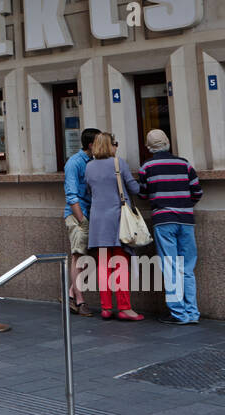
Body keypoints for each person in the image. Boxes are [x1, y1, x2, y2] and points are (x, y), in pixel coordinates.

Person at [137, 129, 203, 325]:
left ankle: (179, 314)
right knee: (188, 268)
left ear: (149, 147)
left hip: (163, 220)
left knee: (170, 267)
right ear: (167, 142)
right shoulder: (184, 164)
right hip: (186, 219)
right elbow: (197, 192)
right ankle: (192, 312)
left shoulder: (146, 167)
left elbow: (142, 194)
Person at [83, 133, 143, 321]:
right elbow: (134, 189)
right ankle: (124, 308)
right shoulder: (119, 163)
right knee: (120, 265)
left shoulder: (89, 167)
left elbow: (89, 190)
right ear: (110, 145)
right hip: (118, 221)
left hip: (98, 222)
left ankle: (106, 308)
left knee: (103, 266)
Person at [63, 127, 101, 316]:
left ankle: (71, 294)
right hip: (79, 215)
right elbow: (71, 195)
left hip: (90, 214)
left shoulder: (93, 162)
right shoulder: (75, 163)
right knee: (78, 257)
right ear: (91, 145)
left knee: (86, 259)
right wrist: (81, 219)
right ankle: (80, 300)